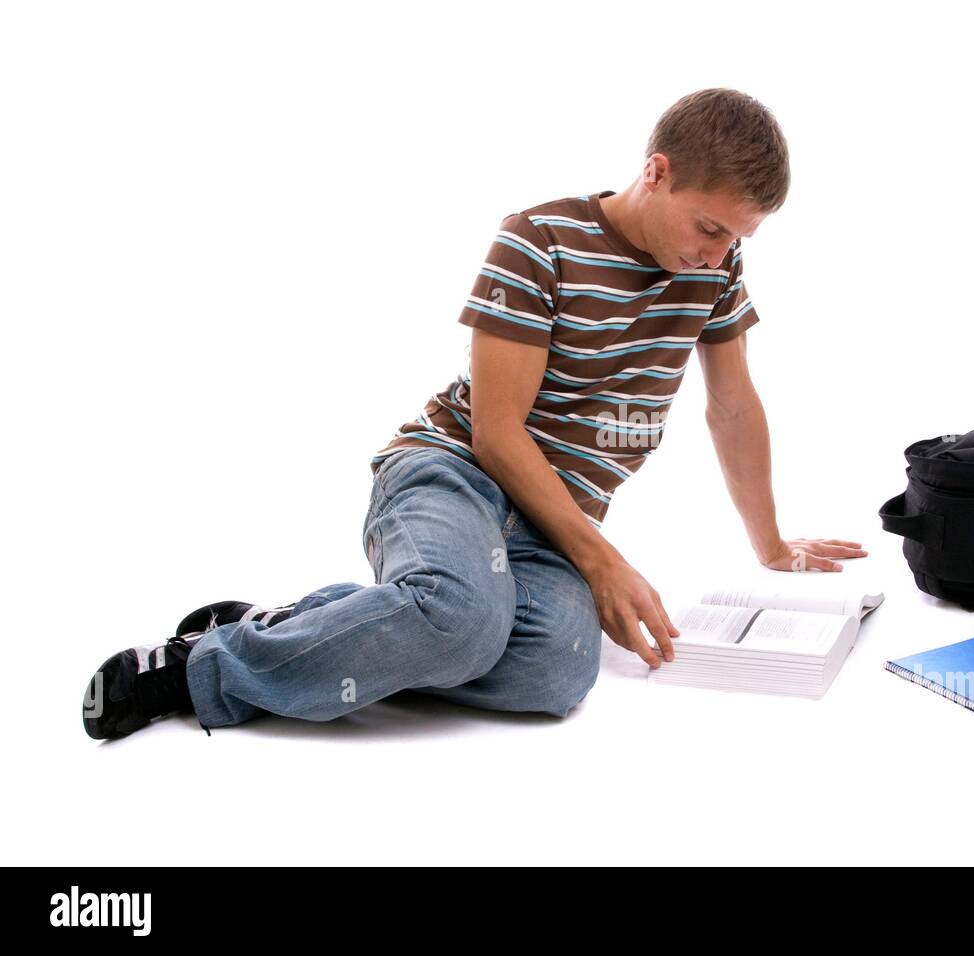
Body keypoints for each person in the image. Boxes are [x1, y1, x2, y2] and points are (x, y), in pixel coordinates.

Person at [81, 88, 867, 741]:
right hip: (453, 473)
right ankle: (197, 668)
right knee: (459, 619)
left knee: (558, 671)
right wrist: (602, 561)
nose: (719, 254)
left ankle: (315, 625)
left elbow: (732, 406)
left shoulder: (717, 274)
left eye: (738, 238)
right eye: (710, 228)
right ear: (656, 172)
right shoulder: (540, 241)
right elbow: (495, 430)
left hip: (551, 519)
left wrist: (770, 546)